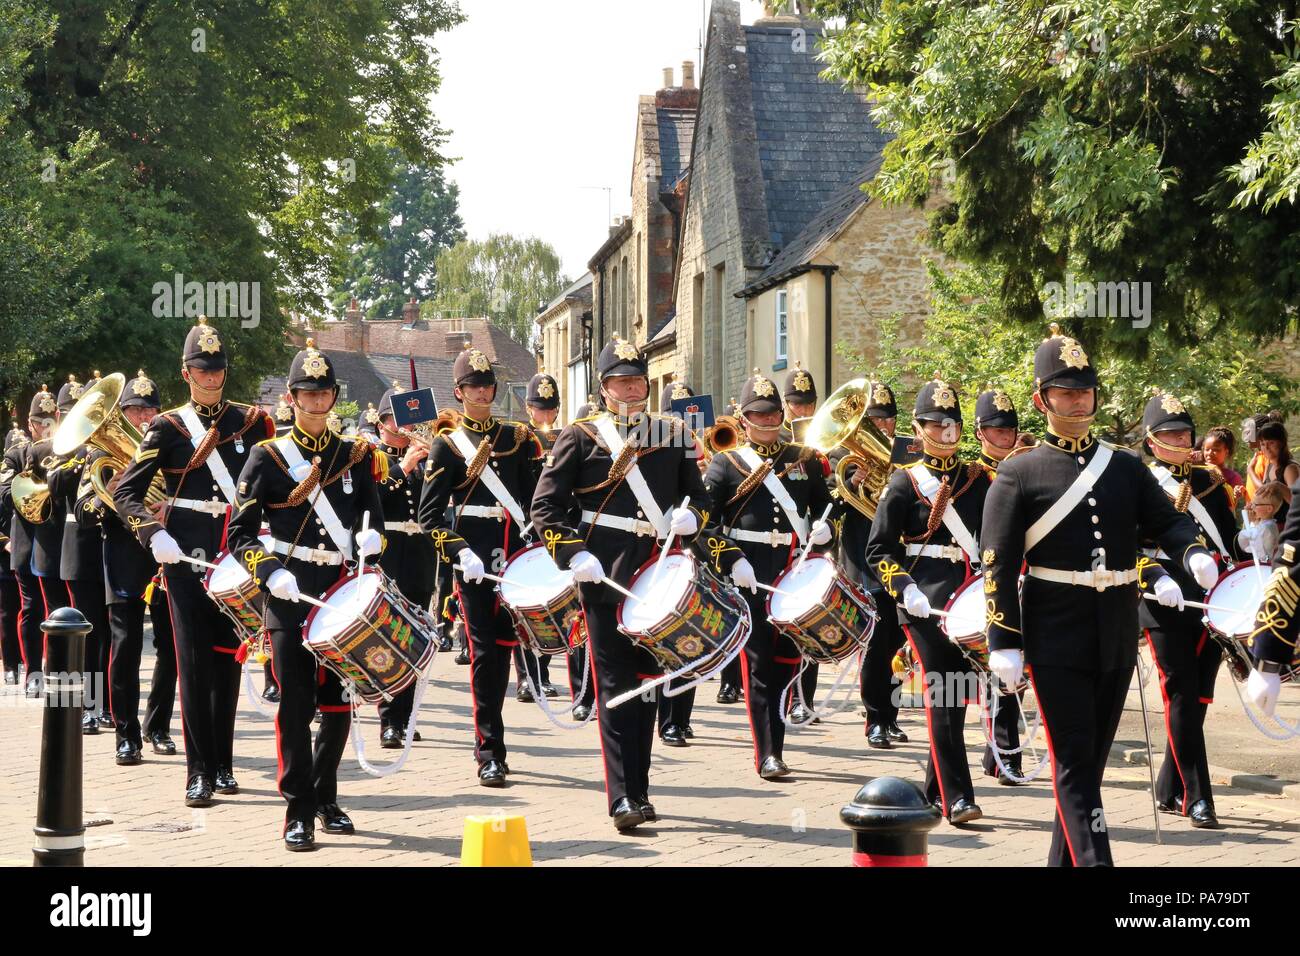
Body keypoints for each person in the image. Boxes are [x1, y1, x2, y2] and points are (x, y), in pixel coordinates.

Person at [981, 325, 1215, 866]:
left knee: (1088, 763)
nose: (1078, 400)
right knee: (1074, 763)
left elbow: (1166, 522)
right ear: (1042, 399)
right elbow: (998, 562)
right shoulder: (1018, 473)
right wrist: (1003, 638)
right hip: (1054, 633)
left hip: (1114, 631)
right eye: (1066, 391)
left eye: (1085, 391)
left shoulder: (1125, 467)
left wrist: (1192, 553)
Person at [531, 337, 709, 831]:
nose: (630, 390)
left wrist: (694, 515)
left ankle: (641, 789)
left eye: (637, 381)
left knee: (650, 684)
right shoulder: (579, 436)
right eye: (620, 382)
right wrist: (571, 552)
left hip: (656, 573)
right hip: (603, 572)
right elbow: (544, 508)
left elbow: (701, 497)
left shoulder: (670, 432)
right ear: (604, 389)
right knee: (615, 684)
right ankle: (620, 797)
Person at [227, 341, 383, 851]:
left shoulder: (355, 454)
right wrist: (269, 571)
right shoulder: (267, 456)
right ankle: (298, 810)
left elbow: (373, 519)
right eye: (307, 394)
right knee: (294, 704)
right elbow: (240, 534)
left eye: (324, 394)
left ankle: (325, 796)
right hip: (288, 592)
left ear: (334, 397)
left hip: (340, 591)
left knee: (339, 703)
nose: (316, 402)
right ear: (291, 398)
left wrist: (372, 541)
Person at [114, 317, 276, 807]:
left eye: (218, 370)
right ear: (186, 373)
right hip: (184, 559)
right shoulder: (167, 427)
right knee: (192, 664)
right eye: (202, 370)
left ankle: (223, 766)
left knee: (229, 662)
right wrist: (152, 532)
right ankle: (197, 771)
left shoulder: (250, 423)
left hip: (235, 557)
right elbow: (126, 492)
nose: (211, 378)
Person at [418, 346, 545, 787]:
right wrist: (458, 552)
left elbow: (534, 502)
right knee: (485, 655)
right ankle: (489, 750)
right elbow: (429, 516)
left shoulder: (518, 438)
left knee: (511, 650)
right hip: (473, 563)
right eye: (474, 386)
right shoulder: (448, 444)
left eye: (488, 385)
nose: (483, 392)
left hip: (514, 560)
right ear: (459, 392)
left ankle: (497, 738)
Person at [866, 377, 991, 824]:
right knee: (943, 693)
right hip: (923, 601)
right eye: (937, 424)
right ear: (919, 429)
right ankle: (959, 796)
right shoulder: (903, 482)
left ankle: (935, 790)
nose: (947, 432)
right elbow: (879, 549)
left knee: (957, 698)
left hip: (969, 598)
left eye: (952, 423)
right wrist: (904, 589)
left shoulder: (979, 479)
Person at [700, 370, 835, 778]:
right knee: (759, 665)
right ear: (744, 419)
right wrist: (730, 559)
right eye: (759, 415)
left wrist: (828, 532)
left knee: (788, 661)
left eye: (774, 413)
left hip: (793, 573)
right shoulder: (725, 465)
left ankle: (777, 740)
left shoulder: (803, 459)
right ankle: (768, 752)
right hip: (749, 574)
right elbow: (705, 525)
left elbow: (828, 508)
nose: (769, 421)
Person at [1136, 389, 1240, 829]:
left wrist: (1249, 543)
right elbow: (1126, 550)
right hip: (1163, 599)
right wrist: (1153, 577)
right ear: (1151, 440)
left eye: (1184, 431)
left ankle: (1168, 785)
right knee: (1179, 691)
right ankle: (1198, 797)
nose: (1180, 439)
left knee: (1198, 697)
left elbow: (1228, 541)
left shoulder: (1211, 481)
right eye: (1169, 433)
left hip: (1210, 597)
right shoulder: (1139, 483)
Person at [80, 371, 178, 764]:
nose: (141, 417)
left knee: (170, 646)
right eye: (133, 410)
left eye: (148, 409)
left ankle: (159, 727)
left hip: (164, 555)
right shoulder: (96, 457)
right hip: (122, 556)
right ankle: (126, 734)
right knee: (125, 646)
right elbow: (83, 512)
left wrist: (169, 504)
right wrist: (114, 493)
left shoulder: (170, 446)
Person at [367, 387, 436, 749]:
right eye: (398, 419)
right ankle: (388, 720)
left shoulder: (428, 457)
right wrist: (404, 465)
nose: (407, 426)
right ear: (382, 423)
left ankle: (407, 716)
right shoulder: (371, 457)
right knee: (388, 638)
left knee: (416, 638)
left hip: (421, 554)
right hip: (389, 553)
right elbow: (371, 501)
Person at [971, 387, 1027, 783]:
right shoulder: (970, 477)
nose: (1004, 437)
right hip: (979, 578)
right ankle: (1004, 751)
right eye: (995, 430)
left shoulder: (1026, 468)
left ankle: (1003, 752)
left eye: (1009, 429)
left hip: (1022, 575)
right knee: (997, 666)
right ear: (979, 432)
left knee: (1014, 670)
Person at [0, 385, 70, 697]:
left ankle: (60, 671)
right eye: (40, 423)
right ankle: (32, 674)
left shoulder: (65, 451)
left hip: (55, 540)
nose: (46, 427)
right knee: (31, 608)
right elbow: (4, 493)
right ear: (31, 425)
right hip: (28, 540)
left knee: (59, 608)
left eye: (50, 420)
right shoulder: (17, 455)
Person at [513, 373, 564, 703]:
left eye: (550, 410)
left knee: (549, 606)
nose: (545, 416)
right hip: (524, 527)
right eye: (538, 409)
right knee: (525, 607)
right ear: (528, 408)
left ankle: (542, 671)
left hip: (555, 530)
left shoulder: (564, 438)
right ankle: (526, 677)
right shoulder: (517, 439)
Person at [656, 379, 699, 744]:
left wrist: (697, 515)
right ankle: (662, 716)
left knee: (686, 637)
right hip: (657, 550)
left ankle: (678, 718)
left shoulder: (690, 444)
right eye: (676, 414)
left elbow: (702, 498)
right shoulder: (657, 440)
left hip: (690, 549)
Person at [1200, 426, 1244, 501]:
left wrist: (1236, 494)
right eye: (1207, 449)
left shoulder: (1233, 477)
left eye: (1216, 450)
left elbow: (1230, 505)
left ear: (1226, 452)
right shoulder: (1195, 471)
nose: (1210, 453)